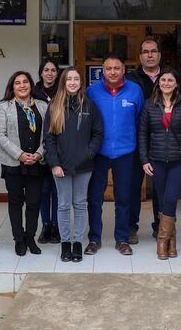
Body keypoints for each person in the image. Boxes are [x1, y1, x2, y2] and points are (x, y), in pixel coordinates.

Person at [85, 52, 145, 256]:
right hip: (98, 153)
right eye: (108, 68)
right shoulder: (92, 91)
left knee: (124, 198)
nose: (112, 72)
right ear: (102, 70)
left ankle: (122, 239)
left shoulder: (135, 90)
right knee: (94, 198)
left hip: (125, 153)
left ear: (123, 70)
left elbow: (139, 121)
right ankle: (94, 239)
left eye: (116, 68)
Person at [139, 67, 181, 260]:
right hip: (156, 160)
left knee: (171, 198)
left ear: (176, 84)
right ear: (159, 83)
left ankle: (162, 240)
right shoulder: (150, 105)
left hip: (178, 160)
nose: (166, 83)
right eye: (163, 80)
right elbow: (142, 134)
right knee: (162, 198)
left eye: (170, 80)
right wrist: (144, 159)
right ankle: (171, 241)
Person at [43, 67, 104, 263]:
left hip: (84, 165)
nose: (72, 82)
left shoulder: (89, 105)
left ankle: (77, 242)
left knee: (79, 204)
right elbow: (49, 138)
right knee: (62, 205)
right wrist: (54, 163)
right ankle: (65, 244)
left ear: (81, 82)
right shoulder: (54, 106)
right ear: (63, 82)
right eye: (69, 79)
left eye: (76, 79)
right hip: (60, 166)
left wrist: (89, 153)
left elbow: (98, 133)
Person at [0, 70, 49, 256]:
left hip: (36, 164)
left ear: (31, 85)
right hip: (13, 163)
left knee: (34, 202)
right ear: (12, 87)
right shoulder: (4, 107)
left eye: (25, 82)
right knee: (16, 202)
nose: (22, 85)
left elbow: (50, 135)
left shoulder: (42, 107)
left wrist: (39, 154)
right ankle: (19, 239)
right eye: (17, 83)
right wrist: (20, 155)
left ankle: (30, 237)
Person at [126, 37, 163, 242]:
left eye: (153, 51)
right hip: (135, 140)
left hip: (161, 141)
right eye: (145, 51)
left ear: (159, 55)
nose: (150, 55)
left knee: (160, 187)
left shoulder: (168, 77)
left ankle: (160, 227)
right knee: (133, 187)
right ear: (140, 56)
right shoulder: (130, 79)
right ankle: (131, 228)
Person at [33, 59, 61, 245]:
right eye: (46, 70)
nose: (49, 73)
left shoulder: (63, 91)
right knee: (44, 191)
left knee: (58, 191)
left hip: (60, 149)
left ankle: (57, 227)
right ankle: (46, 226)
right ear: (41, 73)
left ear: (57, 73)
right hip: (40, 149)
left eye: (53, 70)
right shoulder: (33, 92)